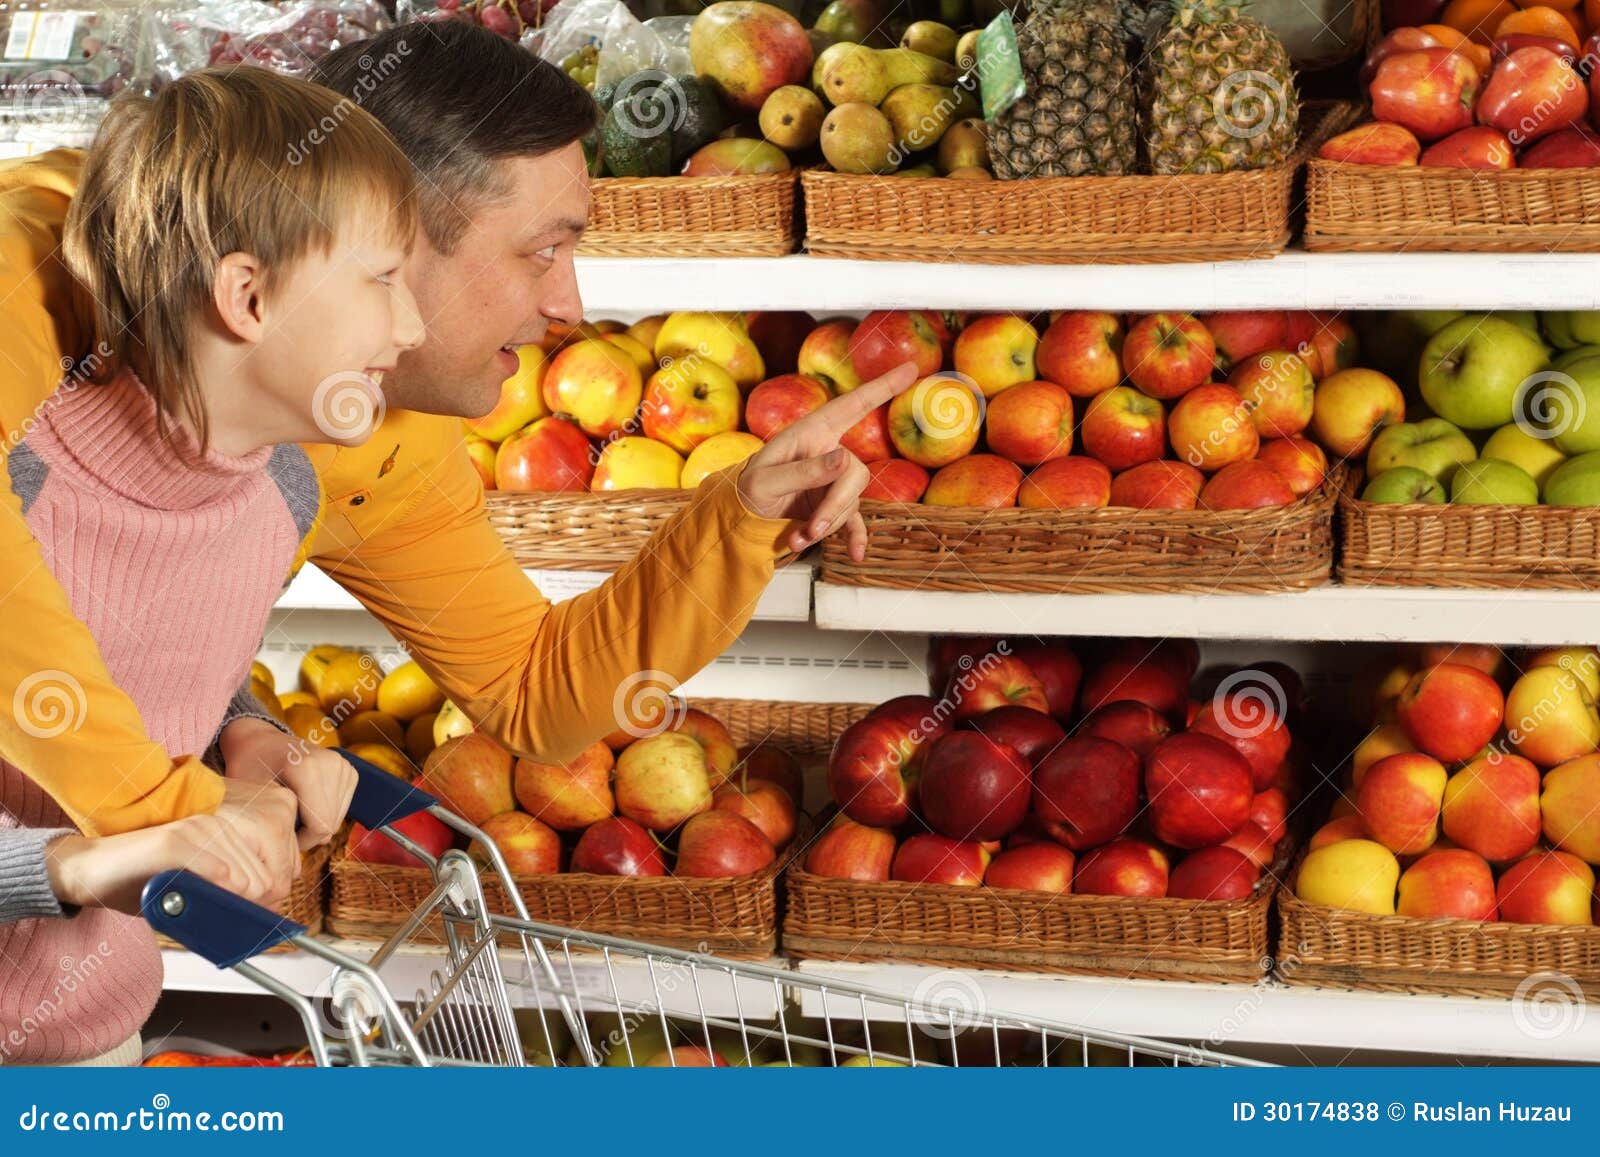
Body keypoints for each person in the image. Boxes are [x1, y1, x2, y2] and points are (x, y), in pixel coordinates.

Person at [0, 22, 911, 897]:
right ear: (379, 225)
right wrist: (170, 812)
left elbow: (538, 690)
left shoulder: (386, 434)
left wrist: (741, 515)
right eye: (541, 251)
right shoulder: (38, 259)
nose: (571, 304)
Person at [0, 65, 424, 1064]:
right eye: (383, 279)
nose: (411, 328)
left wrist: (252, 738)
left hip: (93, 1038)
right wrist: (77, 864)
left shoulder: (283, 487)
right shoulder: (23, 477)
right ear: (247, 294)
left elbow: (159, 643)